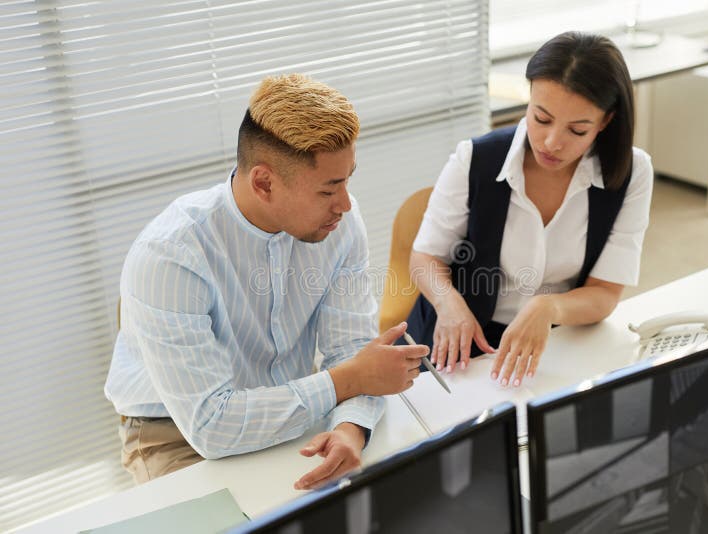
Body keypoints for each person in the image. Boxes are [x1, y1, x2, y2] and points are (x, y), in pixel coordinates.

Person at [105, 74, 429, 490]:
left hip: (296, 401)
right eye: (329, 190)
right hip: (175, 432)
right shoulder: (170, 256)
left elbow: (349, 350)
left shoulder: (340, 226)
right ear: (263, 182)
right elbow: (211, 425)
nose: (346, 204)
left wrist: (350, 428)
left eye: (348, 180)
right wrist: (348, 380)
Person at [406, 31, 653, 388]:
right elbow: (425, 258)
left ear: (605, 122)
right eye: (541, 118)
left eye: (577, 130)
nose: (553, 142)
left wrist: (548, 307)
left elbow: (605, 292)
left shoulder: (632, 172)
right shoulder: (475, 159)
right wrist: (449, 304)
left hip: (557, 337)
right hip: (460, 337)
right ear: (529, 97)